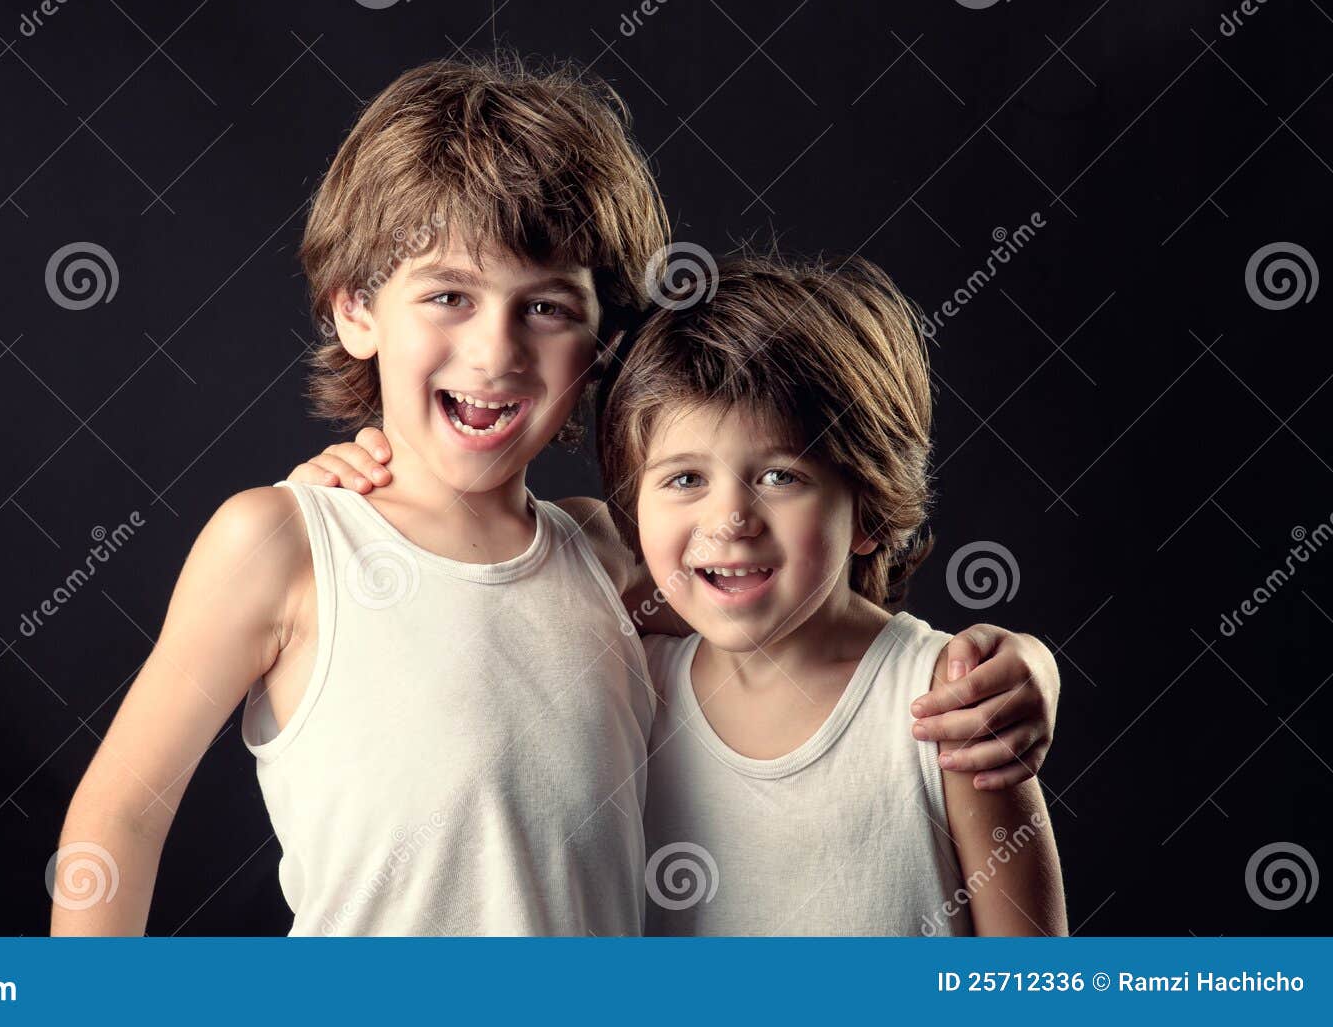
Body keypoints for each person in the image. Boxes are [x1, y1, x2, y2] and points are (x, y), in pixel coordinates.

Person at [55, 53, 1059, 936]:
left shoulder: (607, 562)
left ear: (599, 348)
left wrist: (1021, 666)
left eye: (543, 307)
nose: (494, 350)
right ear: (356, 309)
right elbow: (121, 815)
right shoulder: (280, 544)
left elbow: (807, 626)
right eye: (446, 295)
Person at [600, 252, 1066, 934]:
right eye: (684, 478)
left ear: (869, 514)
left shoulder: (950, 706)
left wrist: (1035, 662)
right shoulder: (634, 684)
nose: (731, 520)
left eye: (782, 476)